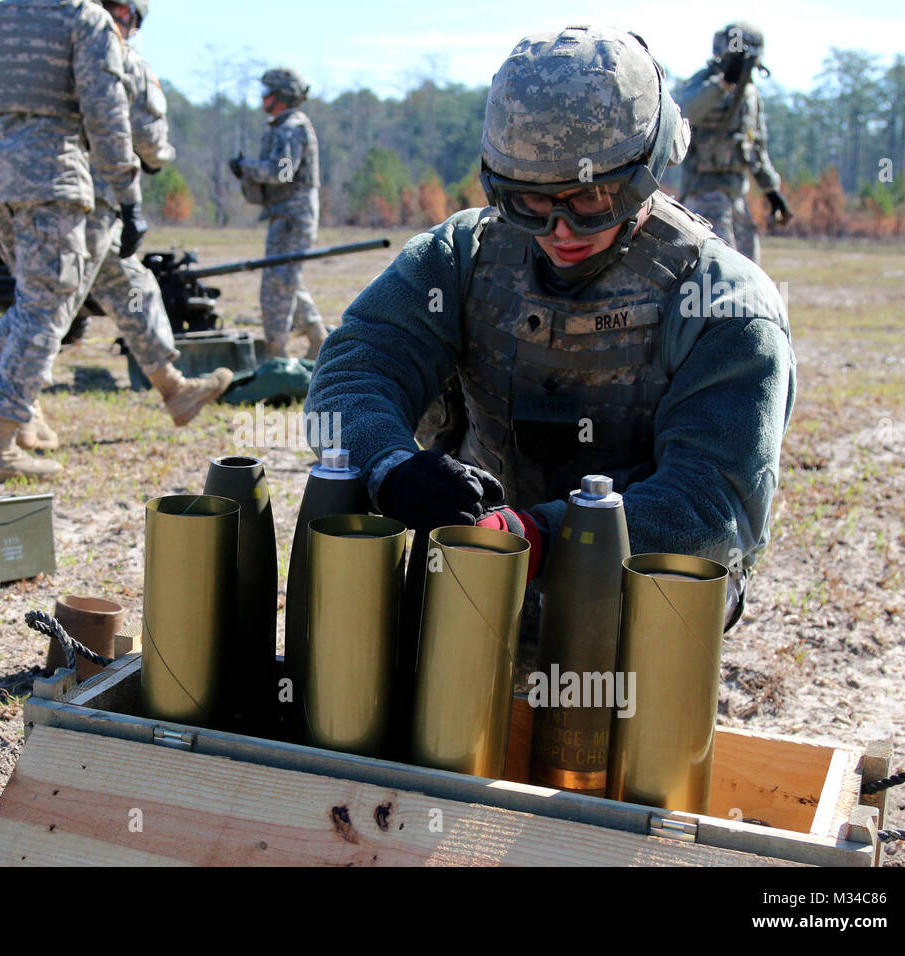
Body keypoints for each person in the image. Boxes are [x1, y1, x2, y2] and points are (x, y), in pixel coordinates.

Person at [303, 25, 796, 629]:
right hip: (471, 579)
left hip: (631, 607)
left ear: (650, 170)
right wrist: (390, 465)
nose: (560, 229)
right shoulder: (462, 255)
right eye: (530, 202)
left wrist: (538, 537)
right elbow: (357, 369)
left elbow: (709, 507)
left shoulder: (725, 304)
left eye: (591, 200)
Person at [0, 0, 230, 453]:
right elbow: (123, 124)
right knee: (48, 304)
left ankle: (171, 388)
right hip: (70, 195)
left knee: (97, 291)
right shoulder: (93, 31)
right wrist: (133, 191)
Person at [0, 0, 143, 481]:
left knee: (35, 302)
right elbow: (106, 111)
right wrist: (128, 196)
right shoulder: (83, 19)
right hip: (52, 182)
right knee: (49, 309)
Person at [229, 67, 327, 360]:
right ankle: (317, 338)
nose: (263, 99)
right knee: (286, 279)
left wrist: (247, 166)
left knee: (277, 286)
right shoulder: (283, 126)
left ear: (281, 96)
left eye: (267, 92)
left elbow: (282, 172)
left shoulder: (291, 128)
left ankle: (277, 355)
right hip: (286, 216)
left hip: (292, 218)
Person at [677, 22, 791, 264]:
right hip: (703, 192)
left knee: (749, 273)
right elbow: (686, 112)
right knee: (716, 271)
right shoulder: (705, 81)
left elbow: (756, 147)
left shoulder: (750, 95)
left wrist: (772, 191)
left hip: (737, 196)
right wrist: (723, 85)